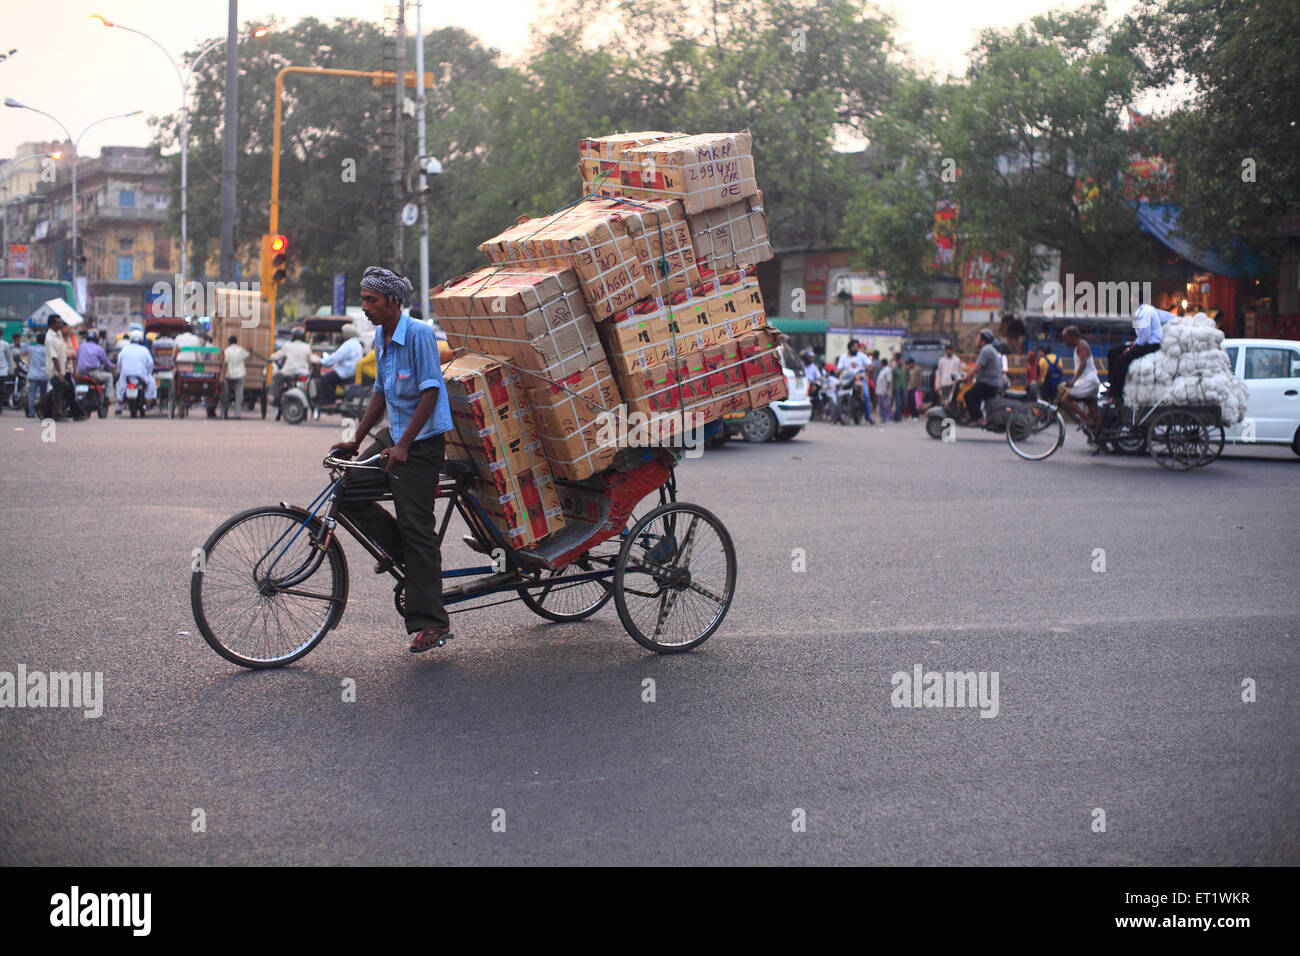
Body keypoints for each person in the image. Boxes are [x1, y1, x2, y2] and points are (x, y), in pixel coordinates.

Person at [329, 266, 455, 654]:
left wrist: (404, 446)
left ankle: (431, 623)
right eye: (364, 299)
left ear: (393, 302)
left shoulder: (418, 333)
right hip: (394, 433)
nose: (365, 306)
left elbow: (431, 391)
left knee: (419, 530)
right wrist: (355, 440)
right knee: (347, 490)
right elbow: (381, 392)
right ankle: (404, 557)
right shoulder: (381, 338)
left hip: (422, 443)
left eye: (371, 300)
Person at [1106, 303, 1171, 404]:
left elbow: (1145, 335)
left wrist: (1132, 347)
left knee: (1121, 361)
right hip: (1143, 342)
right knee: (1112, 352)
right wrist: (1133, 345)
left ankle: (1117, 395)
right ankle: (1111, 388)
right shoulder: (1141, 311)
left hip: (1150, 345)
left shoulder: (1145, 312)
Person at [1059, 324, 1102, 450]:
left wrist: (1073, 380)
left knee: (1065, 399)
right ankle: (1100, 439)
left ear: (1072, 337)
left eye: (1065, 338)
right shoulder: (1080, 345)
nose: (1064, 341)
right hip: (1090, 382)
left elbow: (1083, 363)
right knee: (1094, 410)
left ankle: (1086, 419)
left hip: (1087, 382)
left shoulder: (1081, 345)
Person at [961, 329, 1004, 426]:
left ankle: (978, 419)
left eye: (978, 338)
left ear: (983, 340)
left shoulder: (986, 350)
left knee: (968, 396)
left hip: (989, 383)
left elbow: (978, 366)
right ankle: (976, 416)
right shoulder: (989, 349)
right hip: (991, 382)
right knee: (975, 395)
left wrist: (967, 377)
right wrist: (971, 377)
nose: (976, 340)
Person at [318, 323, 364, 406]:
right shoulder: (357, 343)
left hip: (346, 372)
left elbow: (336, 357)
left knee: (326, 379)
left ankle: (329, 403)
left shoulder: (348, 344)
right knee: (331, 378)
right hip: (353, 371)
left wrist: (323, 362)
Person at [270, 328, 312, 411]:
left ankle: (276, 399)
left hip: (287, 372)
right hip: (302, 374)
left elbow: (277, 355)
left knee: (275, 378)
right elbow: (310, 359)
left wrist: (271, 357)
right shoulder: (307, 347)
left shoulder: (288, 346)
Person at [76, 328, 116, 411]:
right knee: (109, 377)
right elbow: (106, 361)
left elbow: (77, 359)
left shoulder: (80, 347)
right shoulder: (99, 348)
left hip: (80, 374)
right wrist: (113, 366)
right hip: (93, 374)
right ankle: (107, 398)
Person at [116, 329, 157, 406]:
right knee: (151, 381)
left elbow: (119, 363)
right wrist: (148, 373)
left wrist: (120, 371)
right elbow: (150, 363)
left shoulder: (125, 349)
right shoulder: (144, 350)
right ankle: (148, 399)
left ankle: (120, 400)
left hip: (126, 376)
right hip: (141, 376)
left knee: (119, 384)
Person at [43, 316, 73, 421]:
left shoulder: (58, 334)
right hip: (55, 370)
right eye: (58, 323)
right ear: (52, 324)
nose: (61, 324)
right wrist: (59, 372)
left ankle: (42, 408)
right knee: (57, 393)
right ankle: (57, 414)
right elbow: (54, 357)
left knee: (58, 390)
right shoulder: (50, 338)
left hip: (61, 368)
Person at [836, 339, 873, 423]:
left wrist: (867, 369)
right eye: (854, 347)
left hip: (858, 379)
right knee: (837, 394)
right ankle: (837, 415)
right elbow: (838, 368)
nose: (856, 349)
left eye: (857, 347)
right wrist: (838, 371)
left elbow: (870, 365)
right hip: (846, 380)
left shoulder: (861, 356)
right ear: (849, 348)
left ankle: (868, 416)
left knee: (866, 396)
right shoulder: (843, 357)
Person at [222, 335, 250, 419]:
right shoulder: (241, 350)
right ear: (236, 342)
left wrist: (222, 376)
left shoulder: (226, 351)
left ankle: (224, 412)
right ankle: (237, 414)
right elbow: (247, 355)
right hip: (239, 374)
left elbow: (225, 363)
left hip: (229, 375)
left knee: (225, 395)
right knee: (239, 395)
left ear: (229, 342)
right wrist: (248, 350)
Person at [24, 331, 47, 418]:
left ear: (37, 340)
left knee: (32, 395)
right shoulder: (46, 350)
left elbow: (25, 348)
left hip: (33, 375)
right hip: (43, 376)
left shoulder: (32, 349)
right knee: (43, 395)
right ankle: (43, 412)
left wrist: (28, 339)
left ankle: (31, 413)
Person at [875, 358, 893, 423]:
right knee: (881, 406)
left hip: (885, 391)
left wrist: (886, 391)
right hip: (880, 391)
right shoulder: (882, 370)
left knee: (886, 405)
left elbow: (889, 381)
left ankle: (889, 418)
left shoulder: (887, 370)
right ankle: (883, 418)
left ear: (882, 363)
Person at [891, 354, 907, 421]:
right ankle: (898, 417)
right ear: (898, 360)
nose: (902, 361)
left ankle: (896, 415)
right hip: (897, 386)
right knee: (898, 402)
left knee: (903, 402)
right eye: (901, 360)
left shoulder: (903, 367)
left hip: (903, 386)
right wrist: (892, 390)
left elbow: (905, 376)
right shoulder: (894, 368)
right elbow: (892, 379)